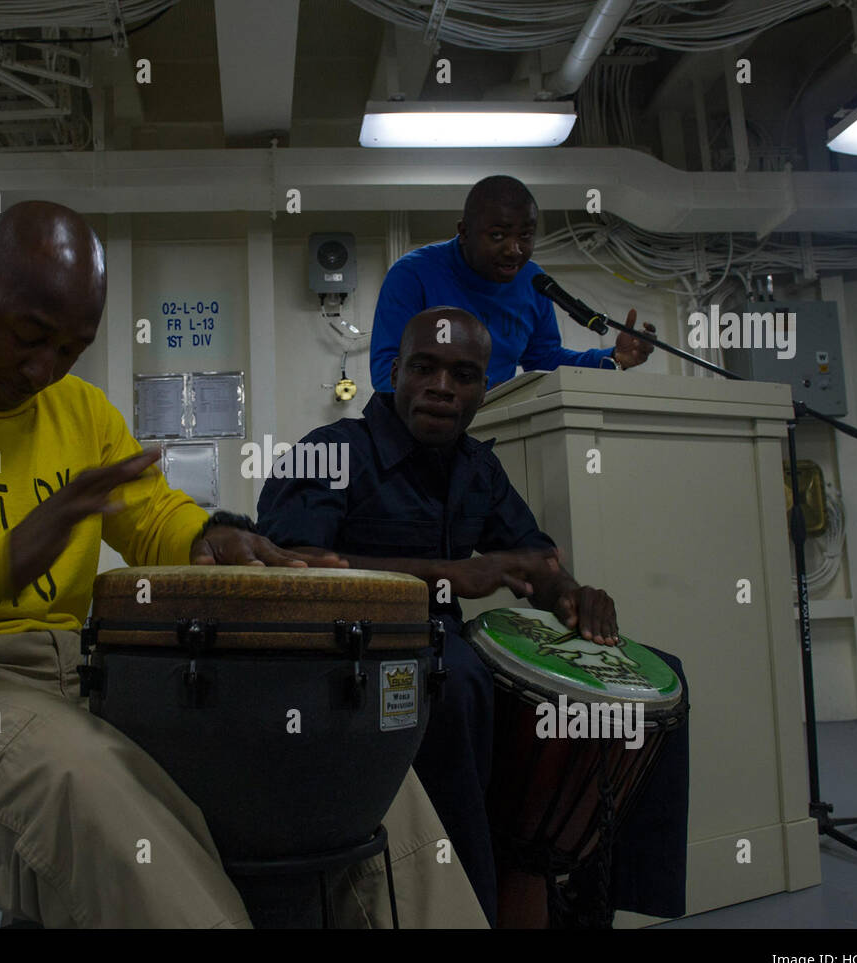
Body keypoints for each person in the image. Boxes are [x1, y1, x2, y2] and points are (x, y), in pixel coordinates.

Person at [0, 201, 488, 929]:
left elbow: (151, 515)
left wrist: (209, 540)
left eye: (70, 349)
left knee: (352, 761)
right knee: (95, 798)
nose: (45, 370)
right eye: (29, 337)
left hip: (89, 677)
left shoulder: (79, 413)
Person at [257, 306, 689, 927]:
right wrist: (449, 575)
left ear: (484, 388)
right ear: (394, 371)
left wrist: (571, 593)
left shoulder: (477, 468)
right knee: (458, 682)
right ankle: (467, 909)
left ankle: (603, 902)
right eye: (424, 368)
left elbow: (534, 559)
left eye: (463, 375)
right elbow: (290, 567)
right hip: (347, 656)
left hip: (440, 641)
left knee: (655, 683)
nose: (442, 387)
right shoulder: (330, 453)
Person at [370, 175, 655, 392]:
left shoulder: (533, 282)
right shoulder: (412, 275)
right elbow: (386, 373)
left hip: (495, 432)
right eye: (497, 235)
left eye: (526, 236)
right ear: (464, 232)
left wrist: (614, 357)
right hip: (423, 436)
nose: (514, 249)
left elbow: (544, 359)